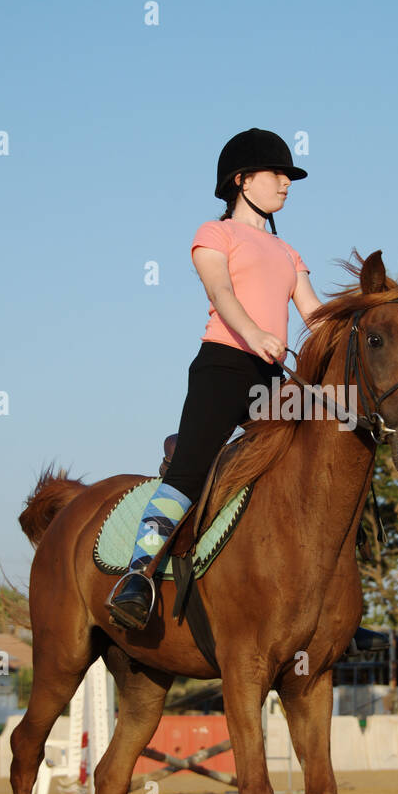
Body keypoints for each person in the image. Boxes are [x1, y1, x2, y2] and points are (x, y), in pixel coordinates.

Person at [107, 128, 322, 628]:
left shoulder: (289, 251)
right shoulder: (215, 234)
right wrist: (258, 334)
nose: (286, 183)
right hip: (224, 366)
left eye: (289, 176)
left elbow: (315, 315)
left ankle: (327, 600)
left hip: (272, 380)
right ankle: (137, 576)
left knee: (321, 458)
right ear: (242, 180)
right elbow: (222, 294)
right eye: (277, 174)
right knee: (189, 471)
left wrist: (361, 324)